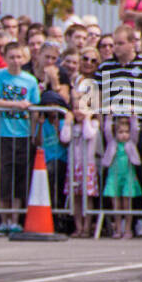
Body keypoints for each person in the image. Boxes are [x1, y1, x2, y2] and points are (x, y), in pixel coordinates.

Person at [0, 42, 39, 234]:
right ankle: (4, 220)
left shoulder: (30, 80)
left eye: (19, 57)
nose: (16, 61)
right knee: (3, 179)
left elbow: (35, 108)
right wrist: (16, 104)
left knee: (19, 179)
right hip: (4, 134)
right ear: (6, 57)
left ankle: (15, 220)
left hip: (23, 135)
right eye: (12, 57)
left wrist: (34, 133)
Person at [58, 94, 100, 237]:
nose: (78, 111)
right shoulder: (72, 126)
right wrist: (67, 123)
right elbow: (64, 138)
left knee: (87, 197)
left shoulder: (94, 124)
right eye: (75, 108)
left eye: (82, 108)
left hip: (87, 166)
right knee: (75, 197)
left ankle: (87, 227)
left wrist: (87, 118)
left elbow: (88, 135)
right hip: (74, 166)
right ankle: (78, 227)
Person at [102, 114, 142, 238]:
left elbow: (135, 131)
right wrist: (108, 118)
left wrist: (134, 118)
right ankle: (118, 229)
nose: (124, 134)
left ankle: (128, 229)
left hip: (128, 176)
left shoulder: (131, 143)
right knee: (116, 205)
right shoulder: (112, 143)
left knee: (127, 204)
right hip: (114, 176)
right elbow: (107, 131)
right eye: (120, 132)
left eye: (126, 132)